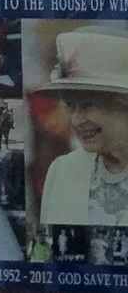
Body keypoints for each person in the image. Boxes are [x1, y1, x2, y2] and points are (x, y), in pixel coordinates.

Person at [36, 29, 128, 226]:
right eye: (70, 106)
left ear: (124, 104)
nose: (76, 120)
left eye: (88, 105)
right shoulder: (61, 171)